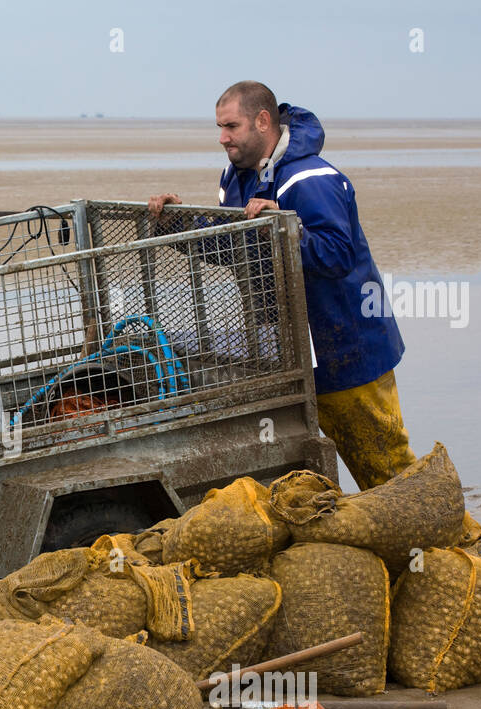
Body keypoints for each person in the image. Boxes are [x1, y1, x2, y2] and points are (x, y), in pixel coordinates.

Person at [149, 81, 415, 492]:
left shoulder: (309, 178)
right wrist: (180, 223)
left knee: (388, 472)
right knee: (310, 474)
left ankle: (456, 548)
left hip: (347, 349)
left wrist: (284, 229)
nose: (222, 138)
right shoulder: (236, 178)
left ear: (262, 121)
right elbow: (233, 247)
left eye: (231, 126)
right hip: (289, 352)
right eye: (219, 127)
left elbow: (337, 255)